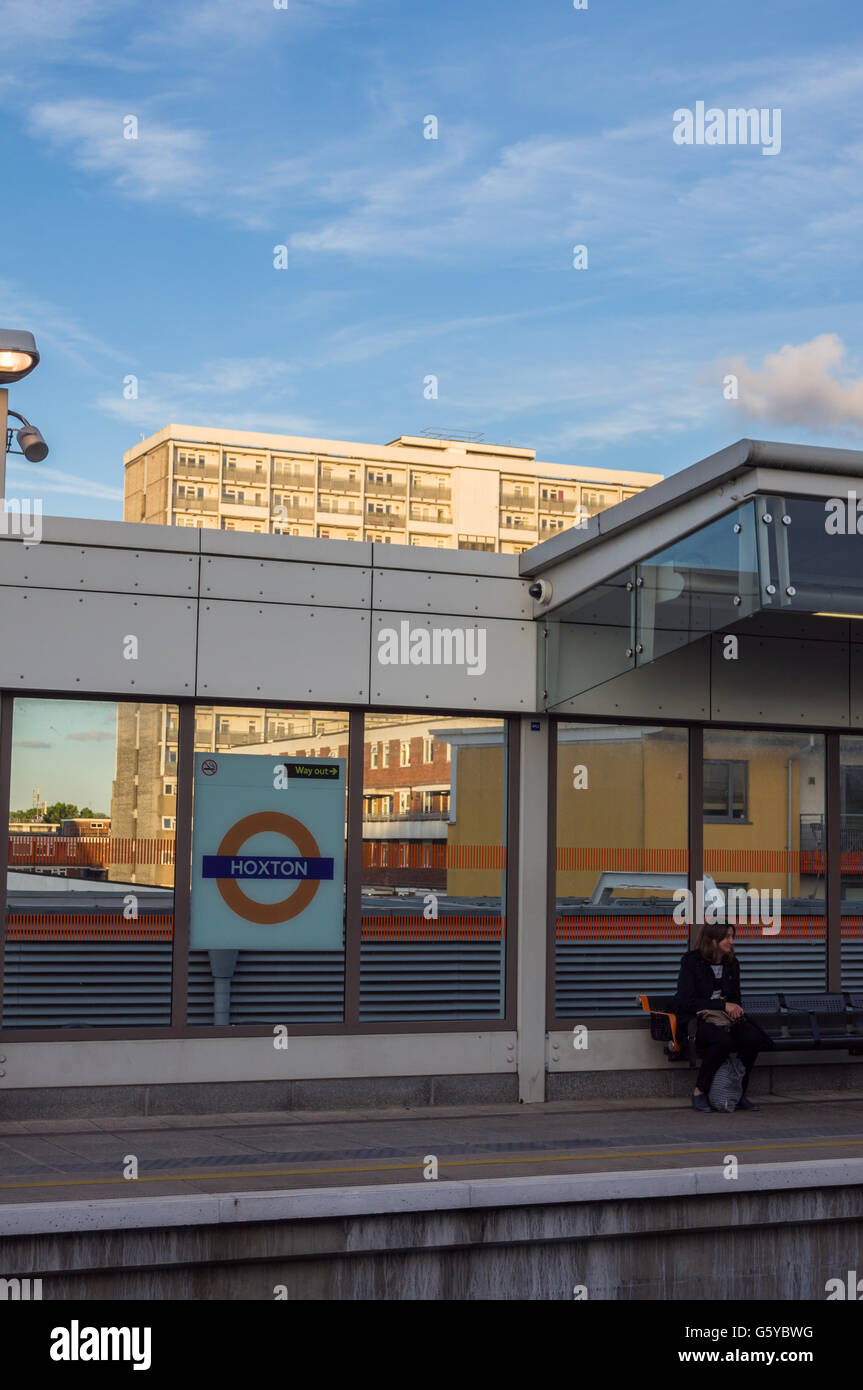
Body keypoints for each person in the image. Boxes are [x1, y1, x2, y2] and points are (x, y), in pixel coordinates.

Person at [674, 923, 772, 1112]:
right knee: (723, 1041)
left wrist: (734, 1007)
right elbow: (687, 1001)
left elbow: (736, 997)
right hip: (696, 1019)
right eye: (727, 937)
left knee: (752, 1039)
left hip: (724, 1018)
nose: (731, 941)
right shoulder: (691, 961)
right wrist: (722, 1005)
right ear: (713, 940)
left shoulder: (732, 963)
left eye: (732, 937)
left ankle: (738, 1091)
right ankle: (699, 1091)